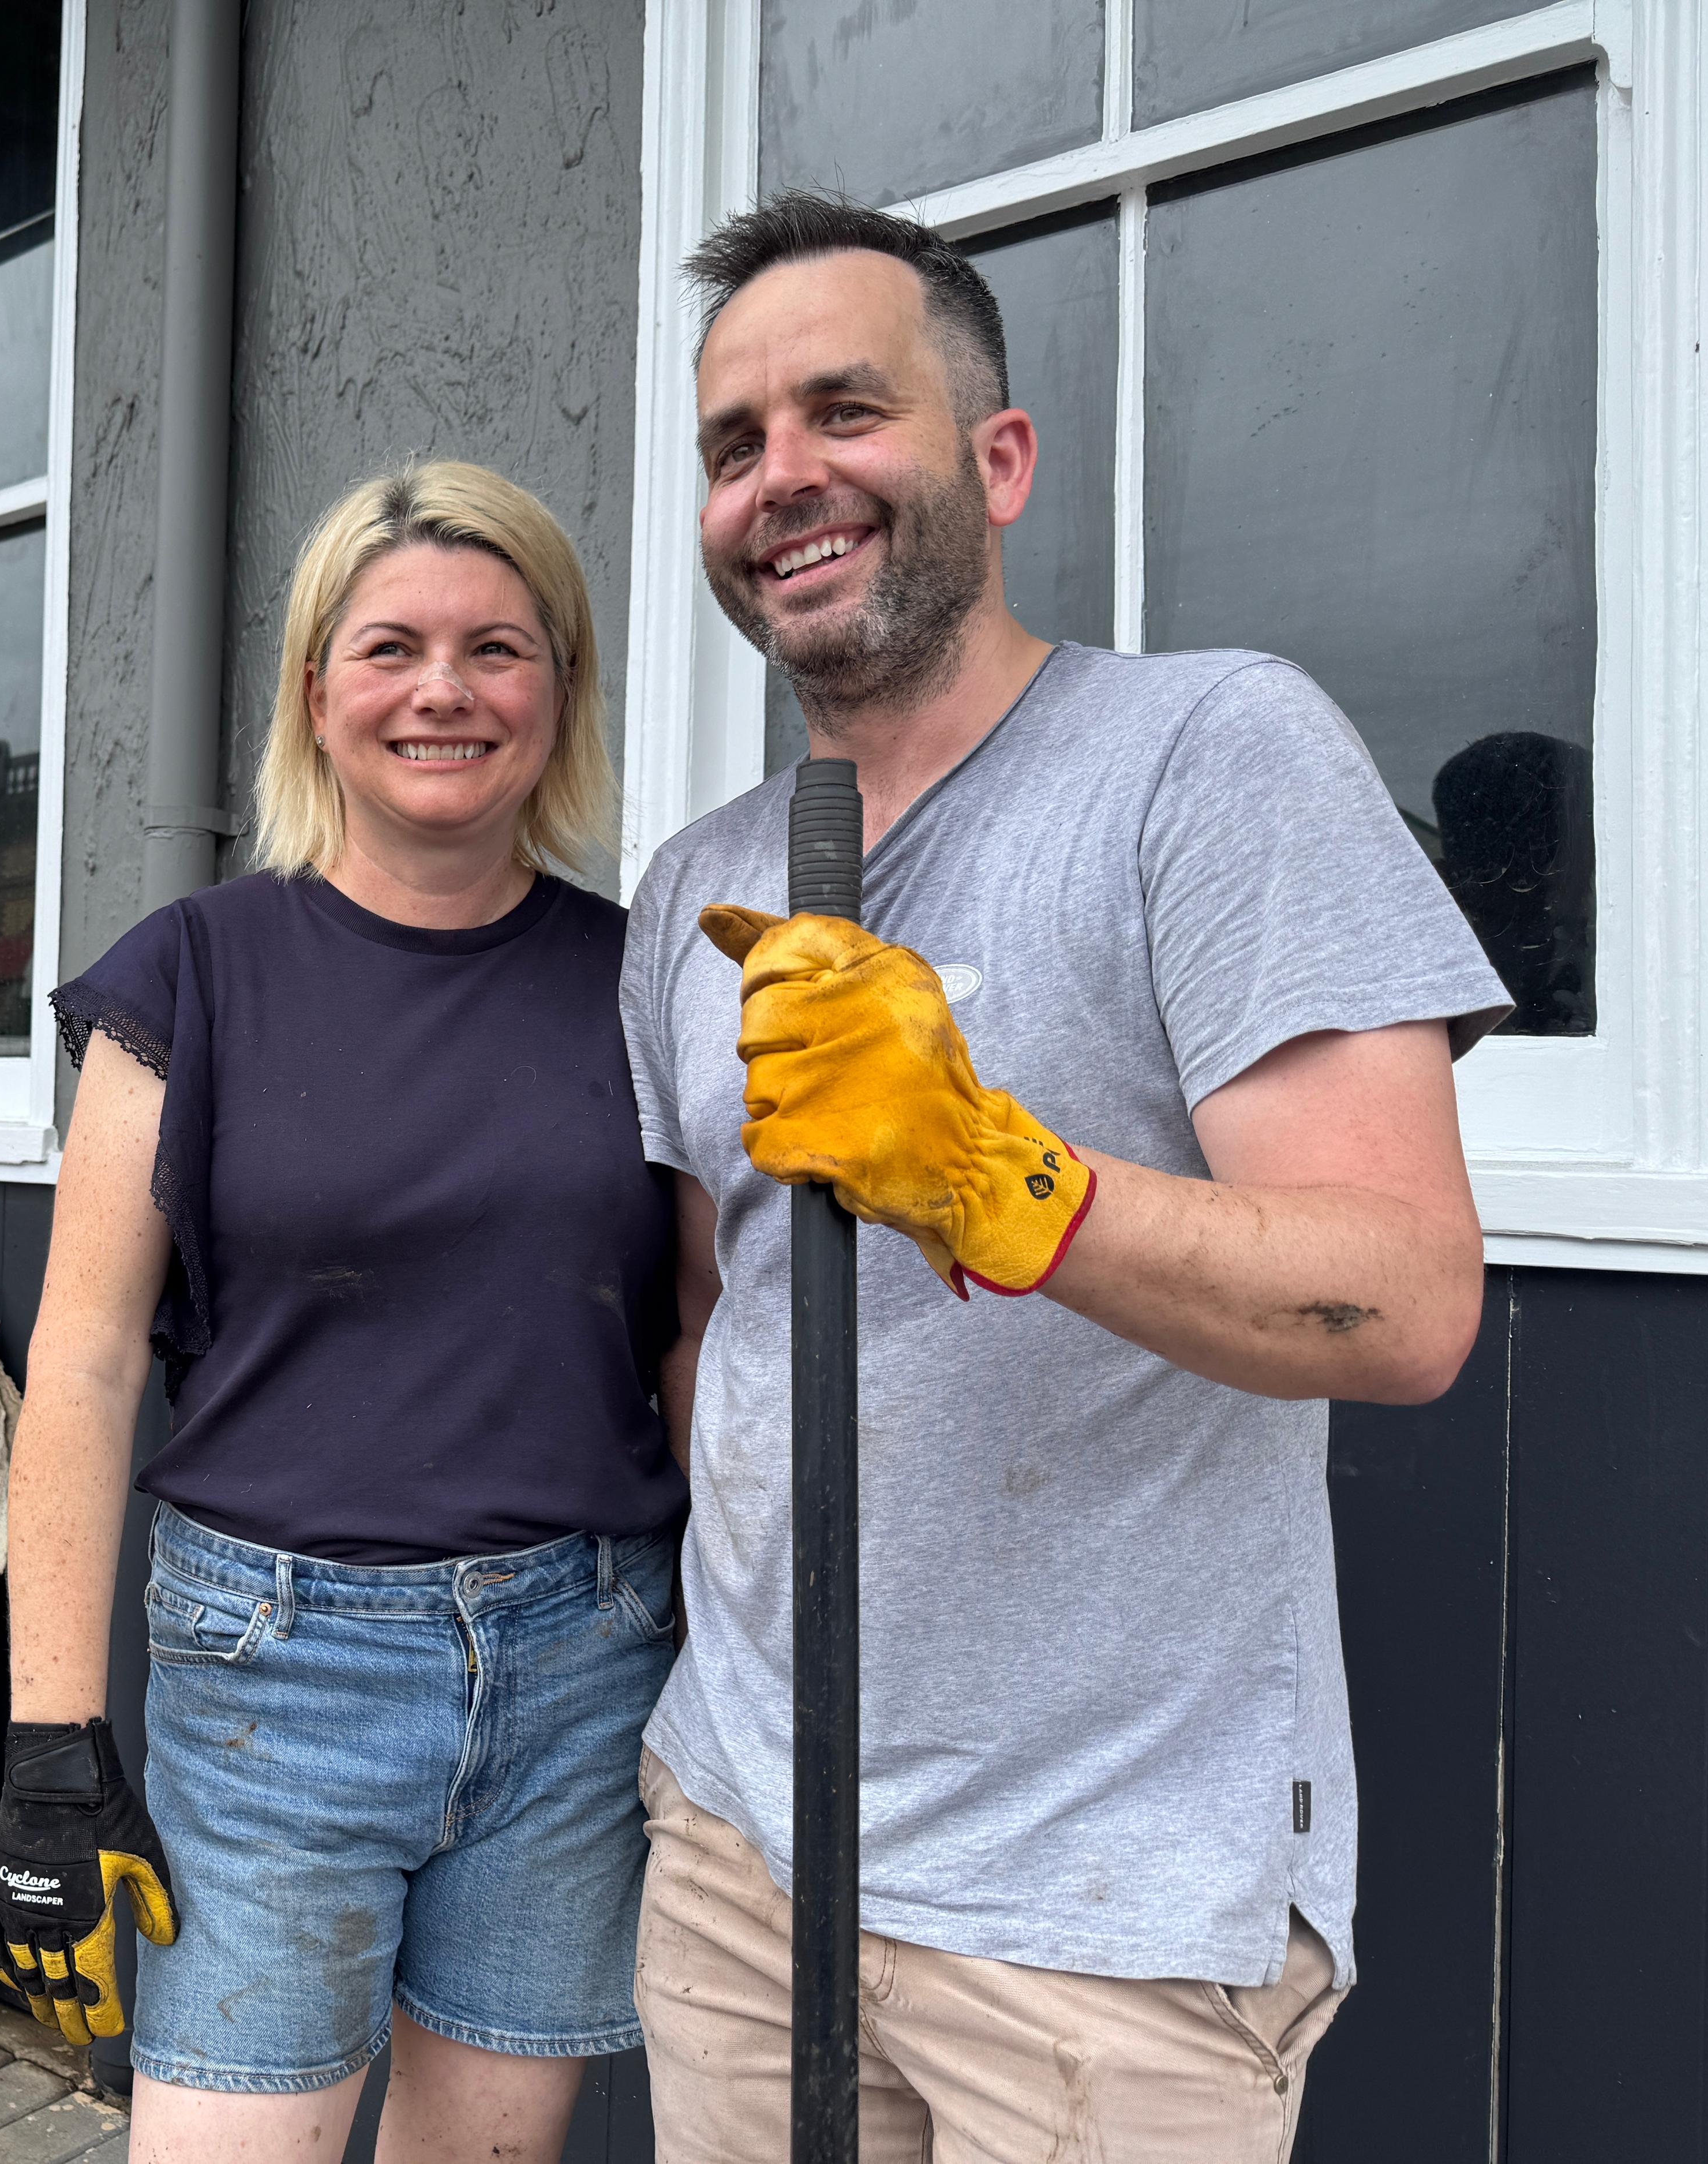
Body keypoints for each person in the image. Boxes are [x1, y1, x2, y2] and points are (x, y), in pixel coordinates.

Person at [622, 193, 1511, 2161]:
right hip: (743, 1856)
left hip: (1106, 1917)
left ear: (996, 458)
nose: (785, 480)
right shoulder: (694, 892)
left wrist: (989, 1173)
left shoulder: (1209, 756)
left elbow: (1407, 1296)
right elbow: (720, 1325)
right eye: (733, 444)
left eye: (846, 412)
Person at [0, 462, 688, 2164]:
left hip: (583, 1667)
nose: (444, 688)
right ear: (317, 692)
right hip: (273, 1677)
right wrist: (51, 1741)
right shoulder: (189, 978)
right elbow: (78, 1364)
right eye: (392, 647)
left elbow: (696, 1345)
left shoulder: (652, 979)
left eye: (499, 648)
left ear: (561, 691)